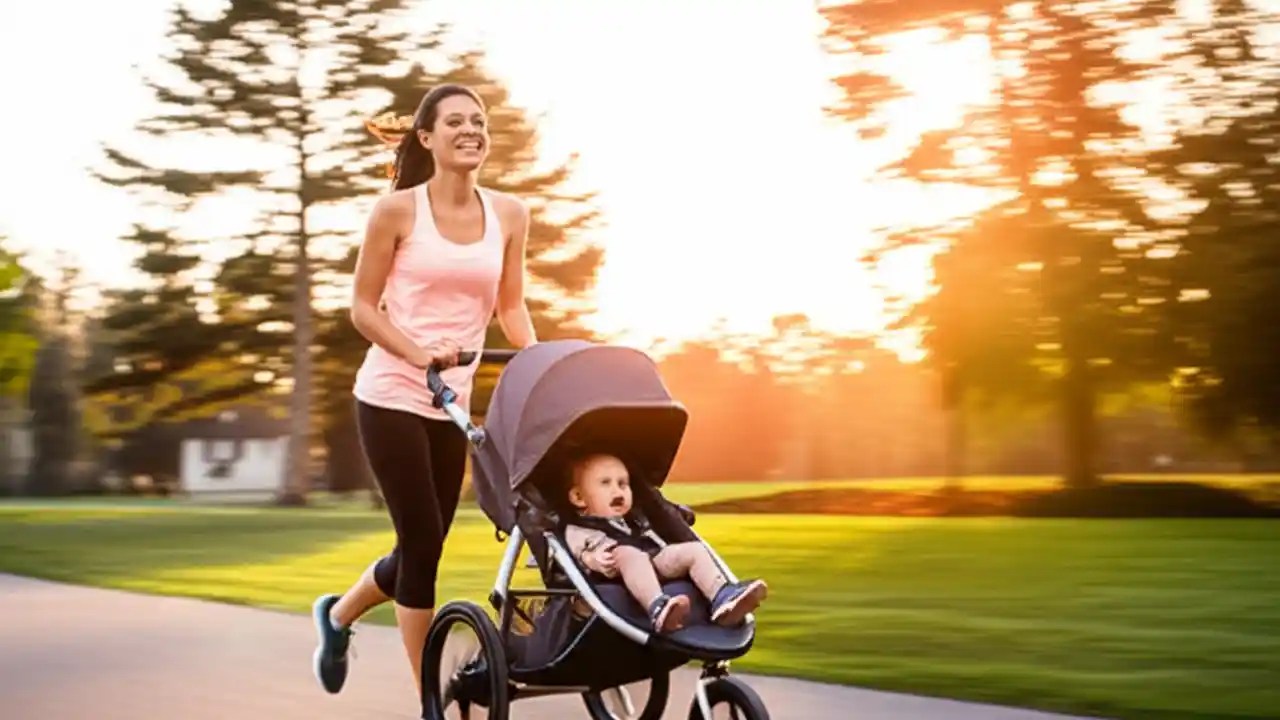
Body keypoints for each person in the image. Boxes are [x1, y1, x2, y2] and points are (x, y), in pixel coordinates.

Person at [310, 84, 537, 704]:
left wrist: (539, 360)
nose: (471, 130)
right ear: (427, 138)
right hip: (389, 395)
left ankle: (337, 616)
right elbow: (361, 306)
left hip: (450, 401)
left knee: (426, 541)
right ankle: (428, 700)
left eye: (479, 121)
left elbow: (510, 305)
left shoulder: (511, 214)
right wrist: (413, 351)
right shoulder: (397, 212)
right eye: (455, 122)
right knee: (421, 545)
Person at [562, 453, 768, 632]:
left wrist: (677, 515)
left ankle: (722, 597)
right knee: (629, 554)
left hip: (654, 559)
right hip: (614, 572)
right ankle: (658, 607)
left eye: (623, 484)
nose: (618, 491)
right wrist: (593, 558)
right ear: (579, 497)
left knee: (693, 550)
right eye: (605, 483)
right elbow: (578, 550)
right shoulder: (578, 527)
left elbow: (659, 525)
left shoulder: (634, 517)